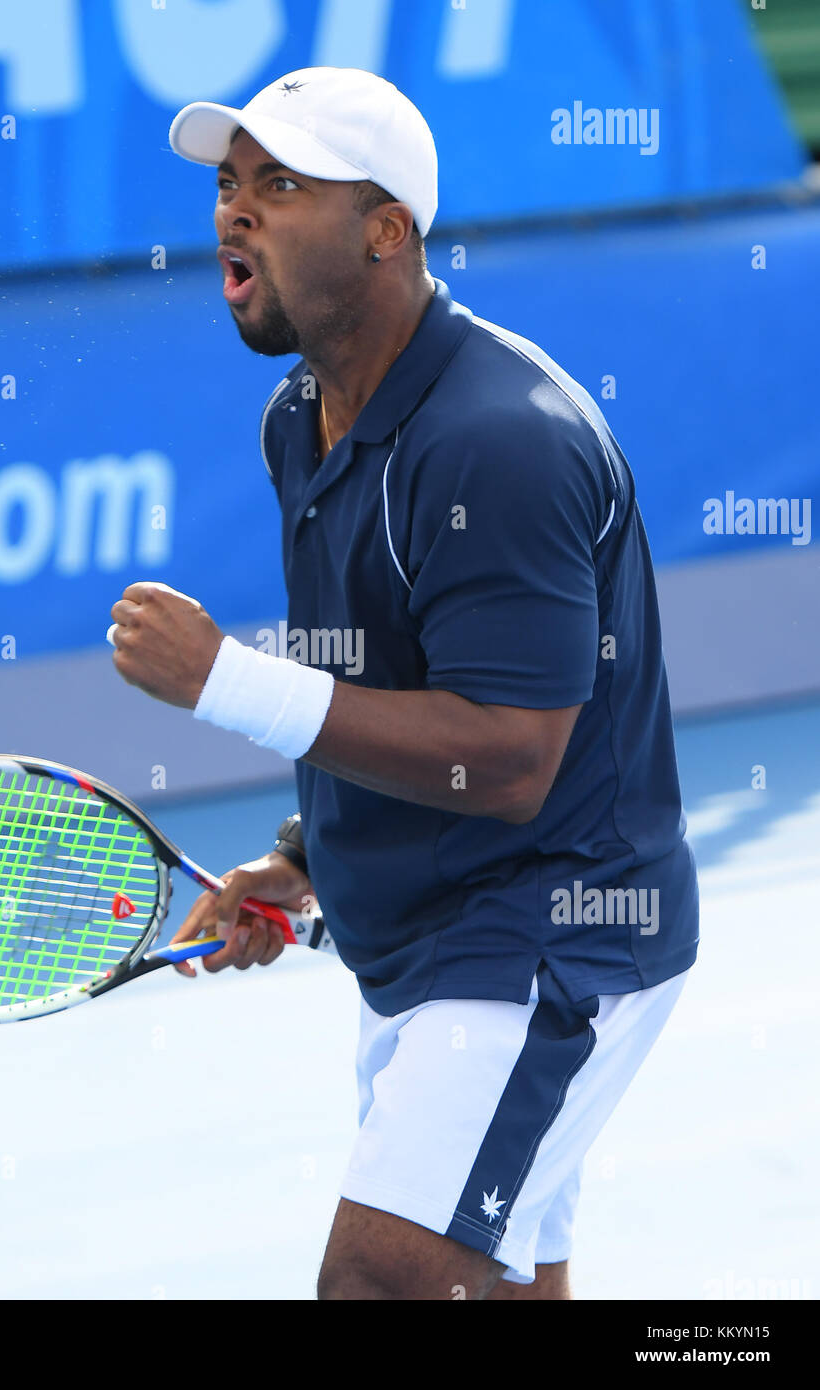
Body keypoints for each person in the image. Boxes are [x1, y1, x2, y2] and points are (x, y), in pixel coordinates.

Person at [109, 66, 698, 1301]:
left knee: (380, 1281)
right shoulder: (301, 417)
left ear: (386, 230)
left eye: (279, 184)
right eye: (228, 183)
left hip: (554, 936)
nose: (234, 211)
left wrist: (225, 682)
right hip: (432, 947)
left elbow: (508, 756)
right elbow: (379, 670)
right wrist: (305, 857)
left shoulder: (503, 439)